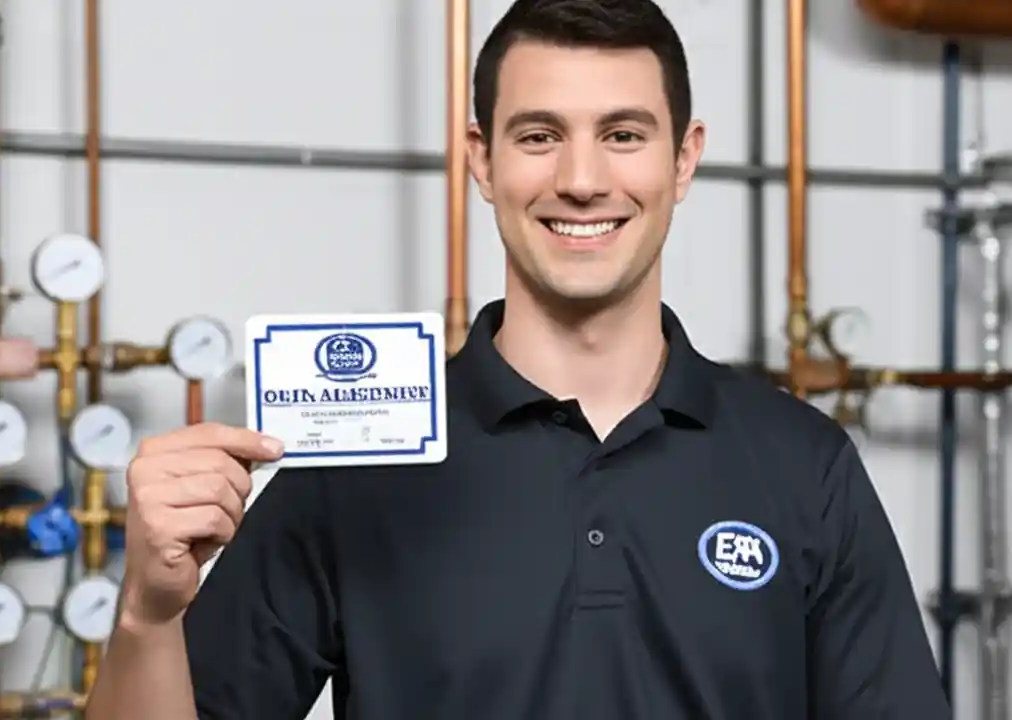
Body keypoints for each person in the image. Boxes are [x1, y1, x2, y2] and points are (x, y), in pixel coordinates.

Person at [86, 0, 953, 718]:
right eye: (540, 136)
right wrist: (146, 617)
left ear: (684, 158)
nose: (582, 179)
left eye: (623, 134)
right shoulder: (359, 466)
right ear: (482, 160)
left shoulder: (802, 464)